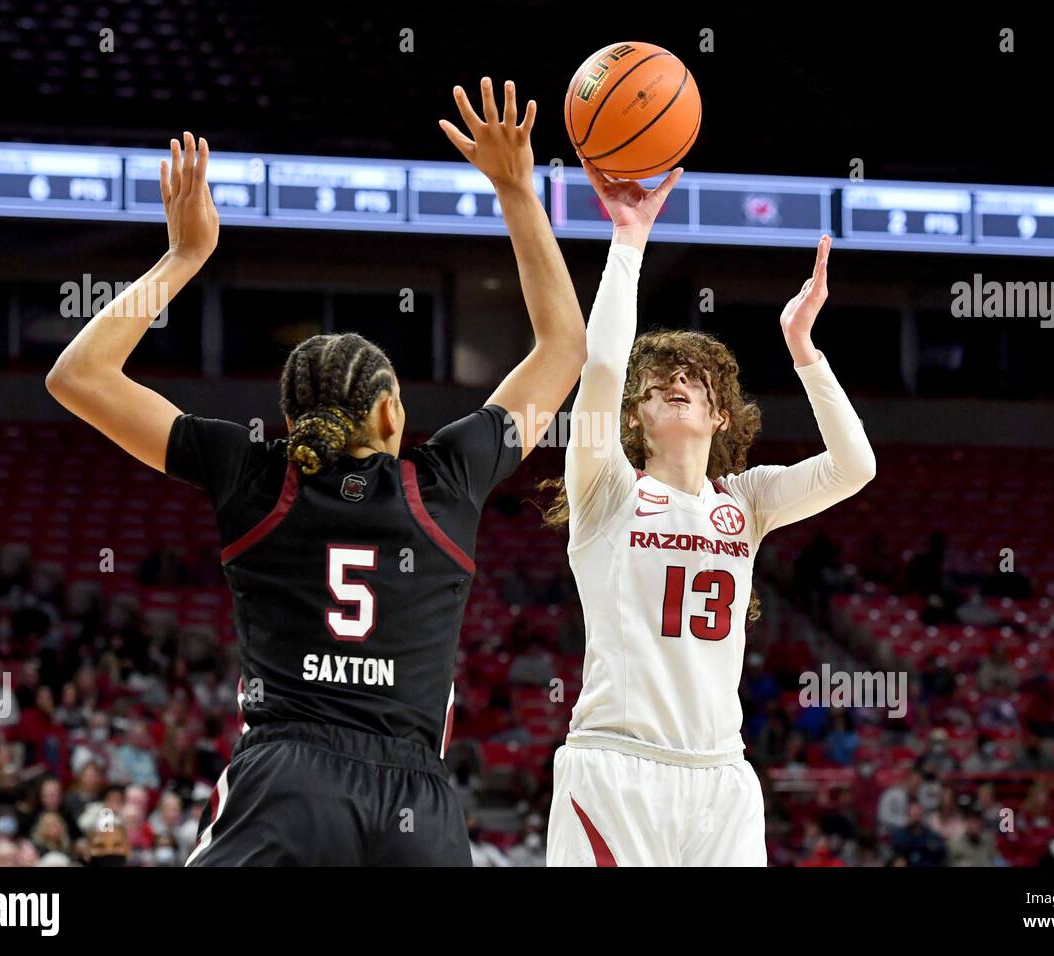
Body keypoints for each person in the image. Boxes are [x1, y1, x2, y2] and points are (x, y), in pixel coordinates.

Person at [45, 79, 587, 866]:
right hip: (416, 802)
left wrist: (184, 254)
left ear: (292, 420)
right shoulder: (446, 480)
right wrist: (515, 191)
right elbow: (562, 347)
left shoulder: (253, 475)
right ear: (392, 416)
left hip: (286, 782)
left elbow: (77, 377)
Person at [541, 162, 875, 866]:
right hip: (614, 767)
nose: (676, 385)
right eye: (659, 385)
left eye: (694, 381)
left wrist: (804, 351)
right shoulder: (609, 489)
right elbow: (600, 368)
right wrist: (628, 242)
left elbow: (855, 467)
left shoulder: (745, 501)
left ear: (721, 415)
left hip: (721, 776)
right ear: (636, 415)